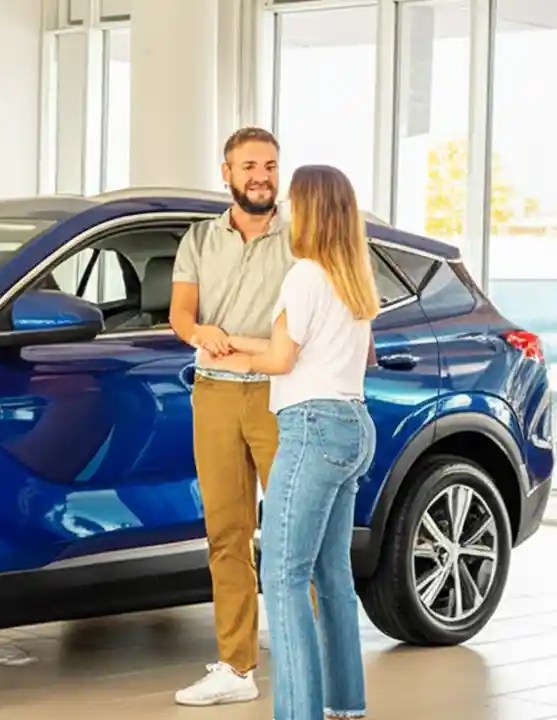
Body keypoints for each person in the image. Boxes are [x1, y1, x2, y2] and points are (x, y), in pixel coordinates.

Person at [208, 164, 378, 720]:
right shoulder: (354, 277)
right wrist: (234, 343)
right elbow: (314, 352)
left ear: (311, 210)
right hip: (354, 425)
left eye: (294, 202)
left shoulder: (305, 274)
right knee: (331, 575)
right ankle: (345, 707)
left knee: (282, 576)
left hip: (310, 429)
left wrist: (228, 351)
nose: (285, 211)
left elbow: (281, 359)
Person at [169, 127, 295, 707]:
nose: (261, 176)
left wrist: (239, 342)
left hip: (279, 394)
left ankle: (305, 661)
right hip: (216, 394)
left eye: (269, 165)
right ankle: (235, 668)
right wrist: (199, 333)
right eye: (249, 166)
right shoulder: (198, 239)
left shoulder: (302, 238)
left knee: (296, 535)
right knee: (227, 533)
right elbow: (181, 313)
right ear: (227, 173)